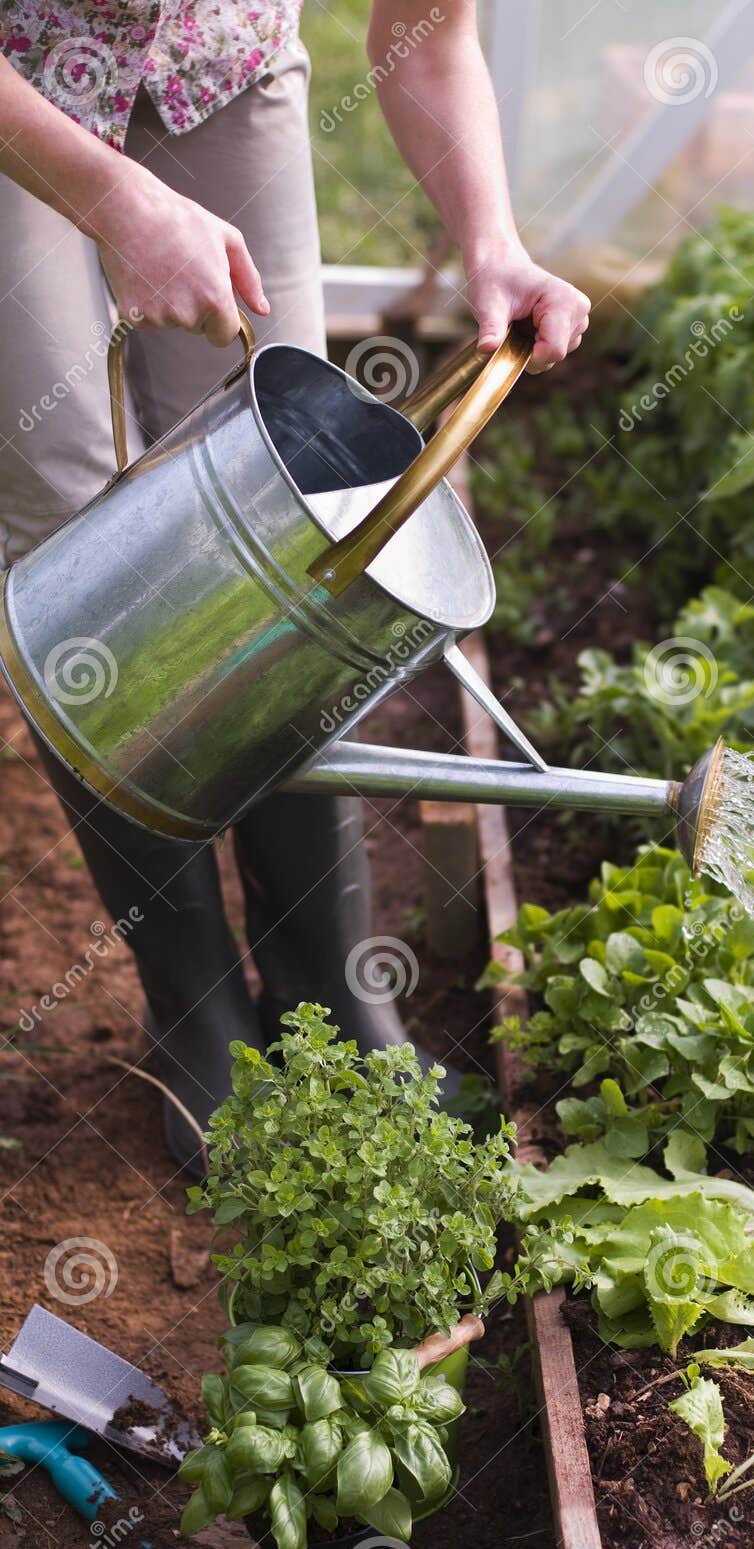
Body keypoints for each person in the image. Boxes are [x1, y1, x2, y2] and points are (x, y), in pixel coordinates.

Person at [0, 1, 589, 1173]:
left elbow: (429, 29)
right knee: (82, 545)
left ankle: (325, 985)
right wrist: (115, 201)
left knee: (301, 499)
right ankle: (194, 1003)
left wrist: (491, 237)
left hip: (222, 62)